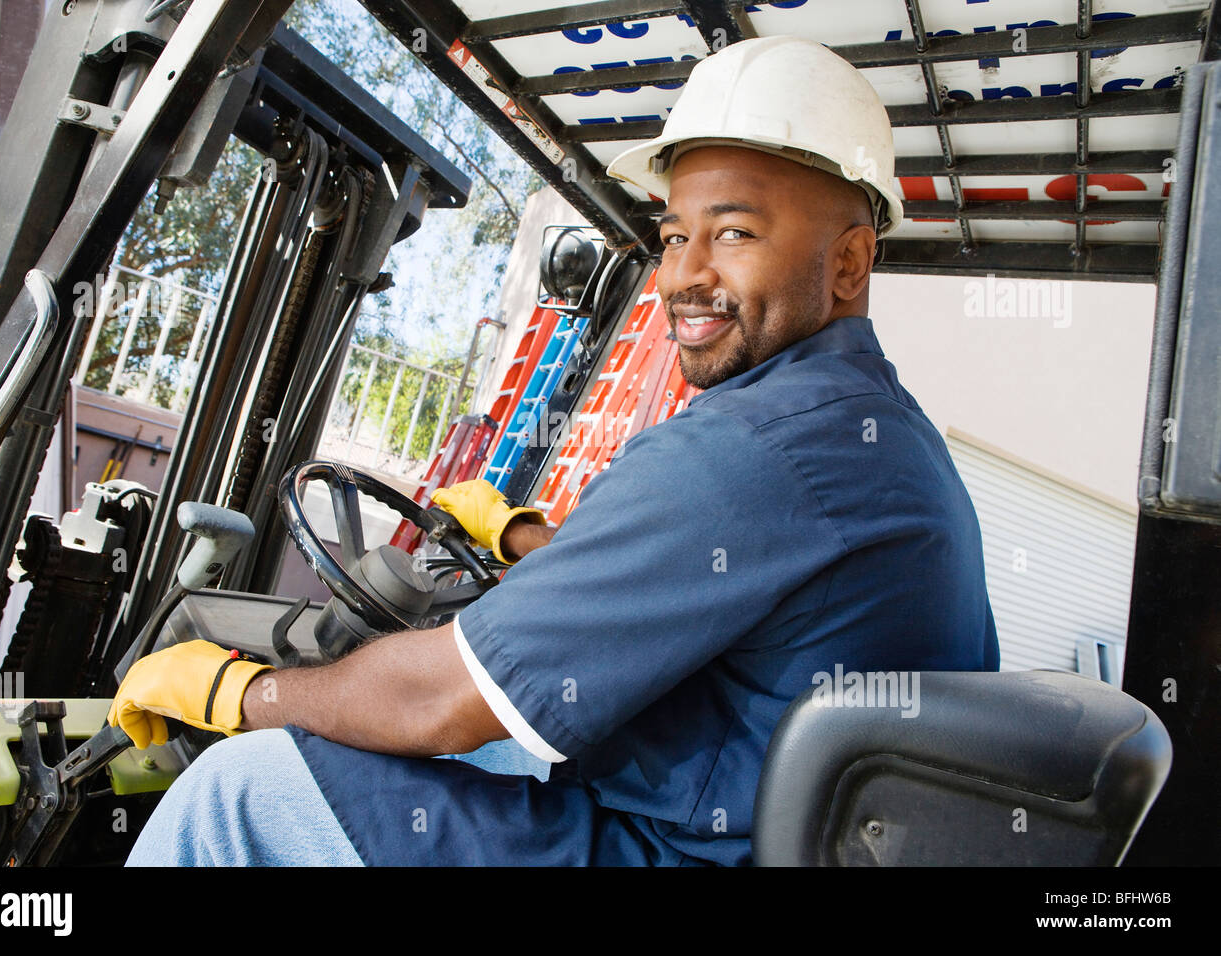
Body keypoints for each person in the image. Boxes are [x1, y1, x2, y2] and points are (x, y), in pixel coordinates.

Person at [113, 35, 999, 867]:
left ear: (848, 263)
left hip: (679, 849)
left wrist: (240, 692)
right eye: (674, 236)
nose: (682, 275)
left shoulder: (756, 445)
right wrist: (522, 539)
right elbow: (711, 585)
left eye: (734, 233)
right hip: (746, 824)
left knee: (245, 788)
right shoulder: (871, 433)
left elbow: (440, 701)